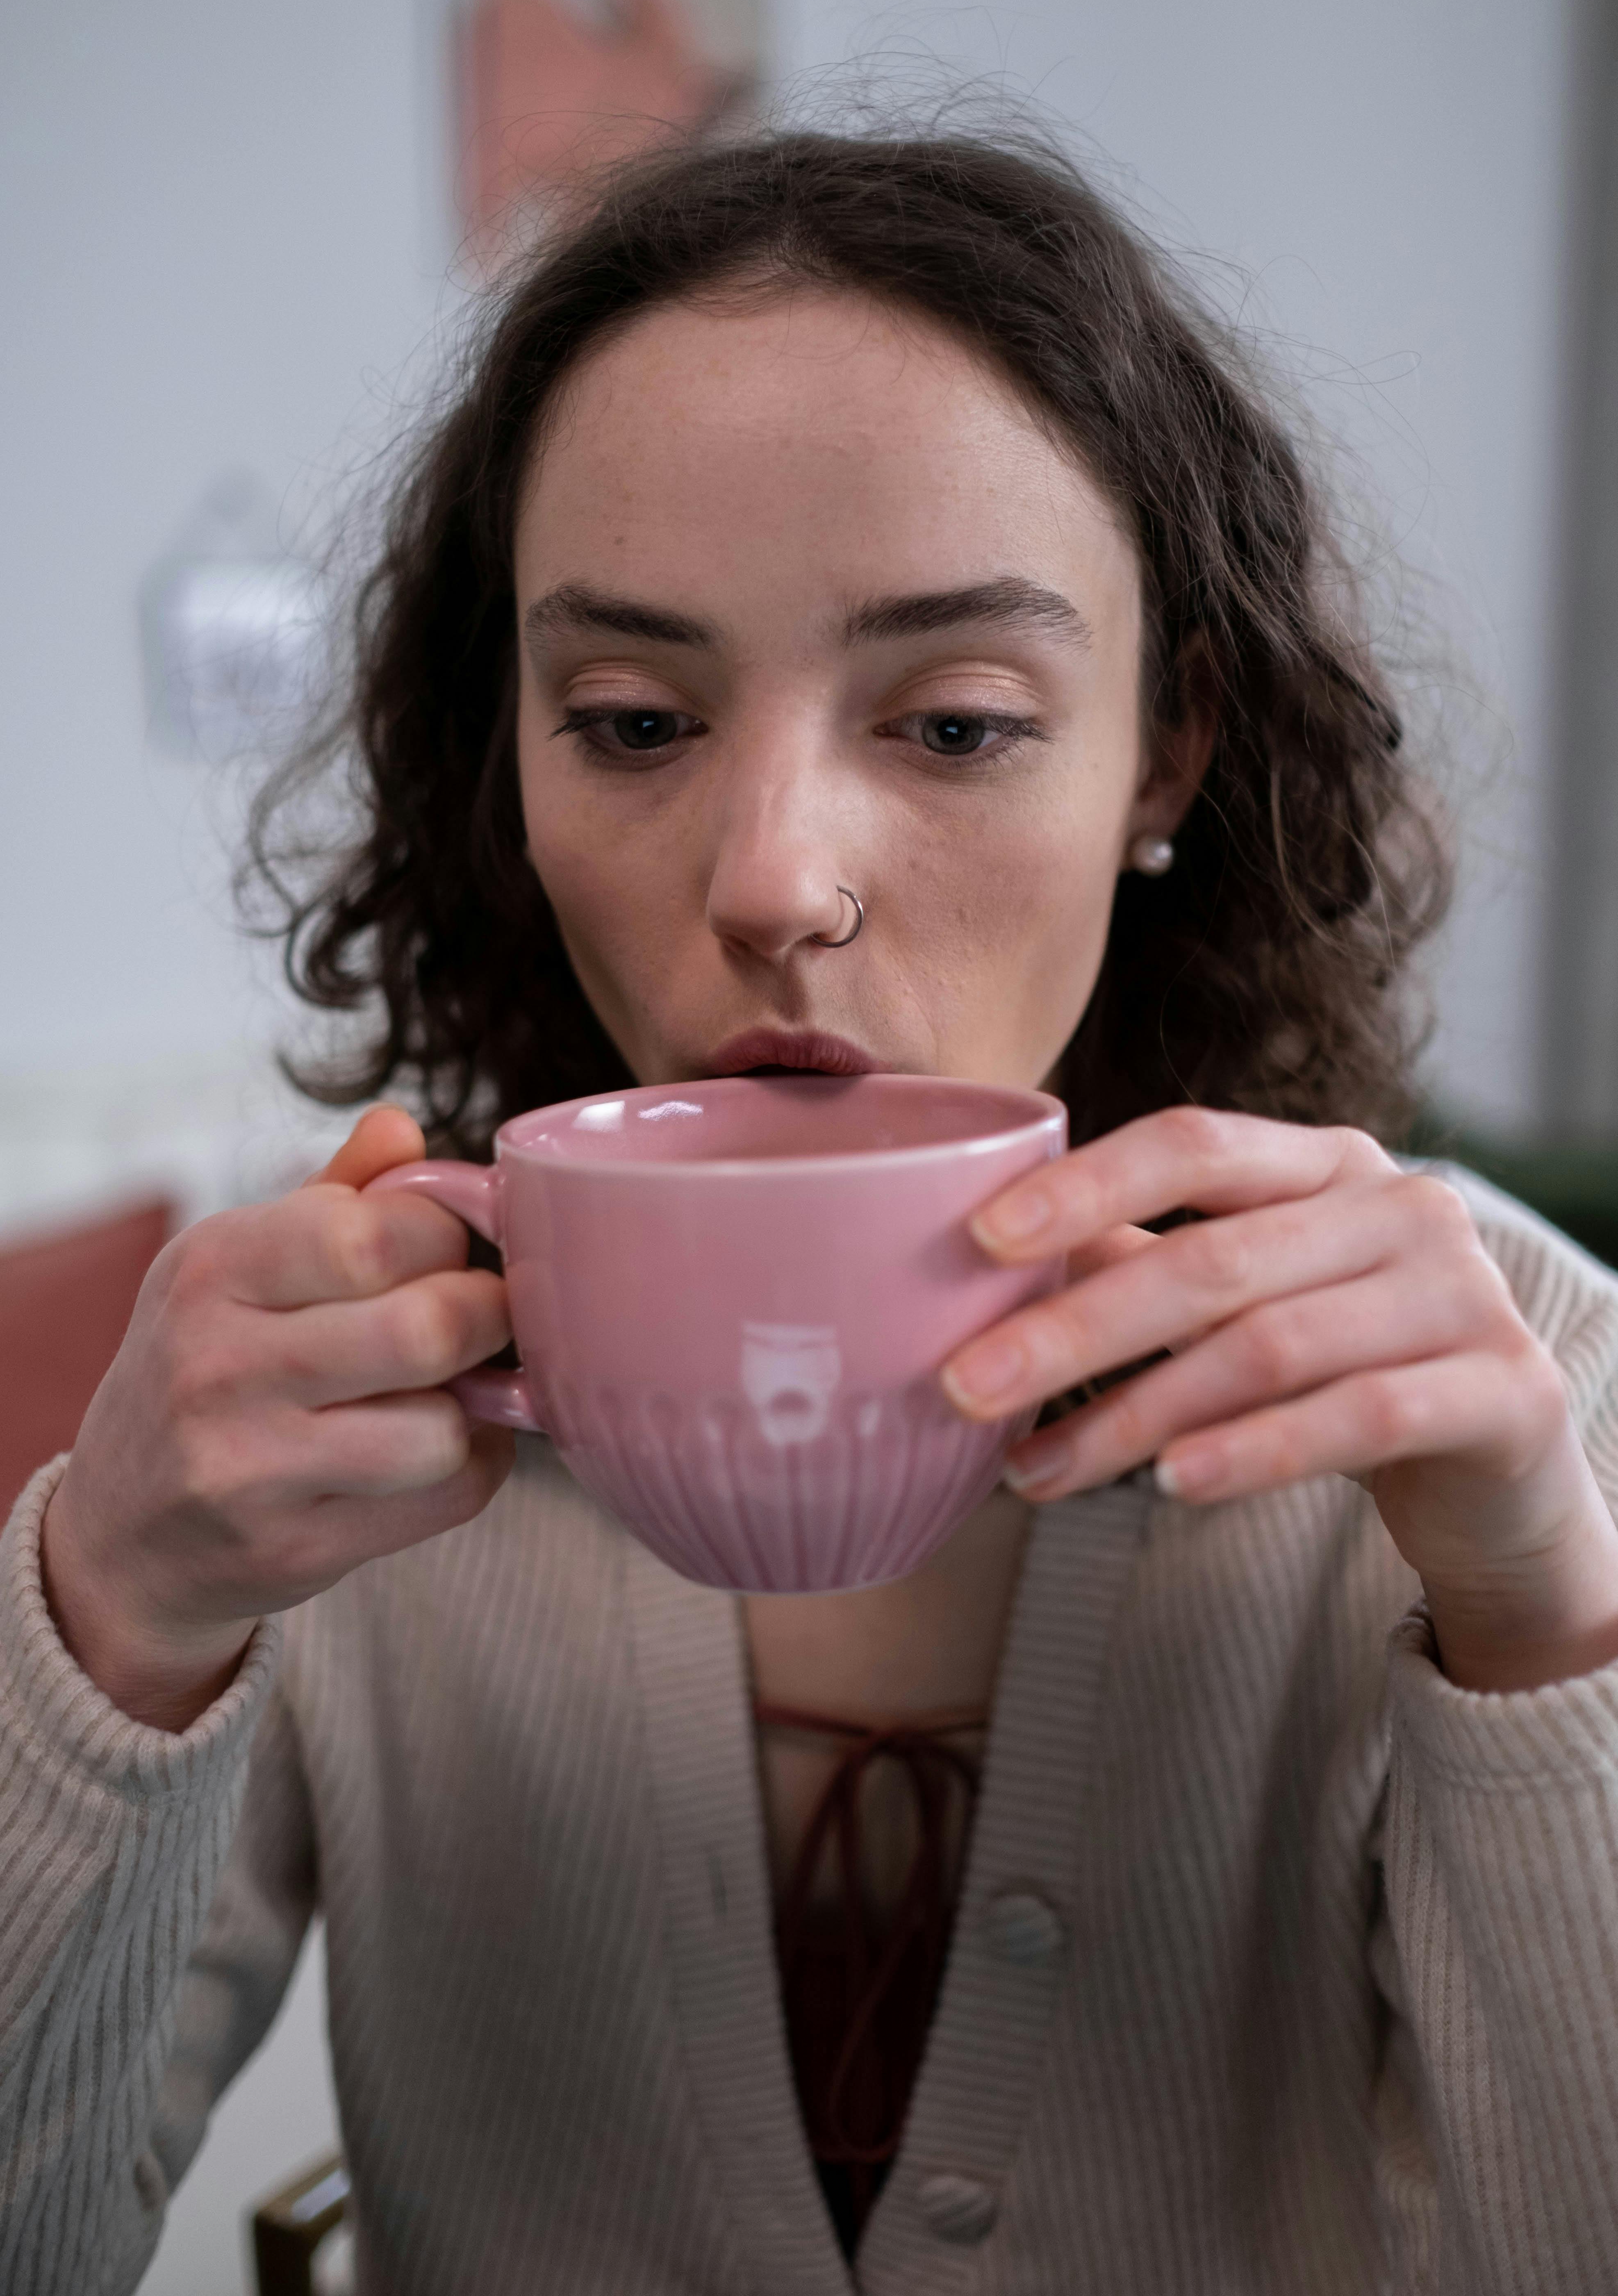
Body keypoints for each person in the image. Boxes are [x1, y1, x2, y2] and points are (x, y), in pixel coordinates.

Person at [5, 126, 1618, 2296]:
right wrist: (109, 1616)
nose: (775, 880)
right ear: (510, 762)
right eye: (631, 720)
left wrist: (1542, 1627)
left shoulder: (1515, 1391)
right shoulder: (330, 1430)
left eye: (953, 723)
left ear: (1163, 753)